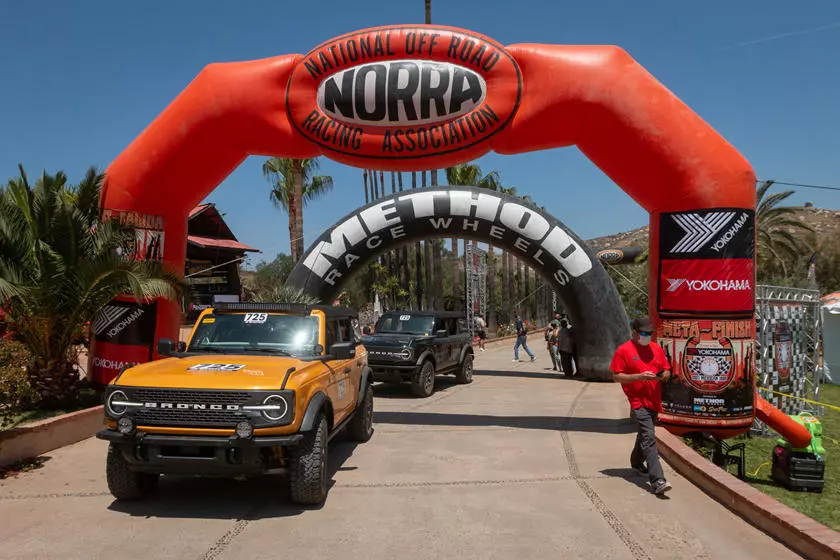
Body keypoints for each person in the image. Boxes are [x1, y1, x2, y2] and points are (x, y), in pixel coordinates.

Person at [610, 316, 672, 495]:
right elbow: (616, 376)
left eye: (650, 333)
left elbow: (666, 369)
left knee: (645, 434)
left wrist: (663, 376)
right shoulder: (624, 351)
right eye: (644, 333)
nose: (648, 336)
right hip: (638, 401)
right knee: (649, 436)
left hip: (654, 398)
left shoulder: (656, 348)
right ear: (635, 333)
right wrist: (638, 377)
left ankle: (636, 462)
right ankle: (658, 480)